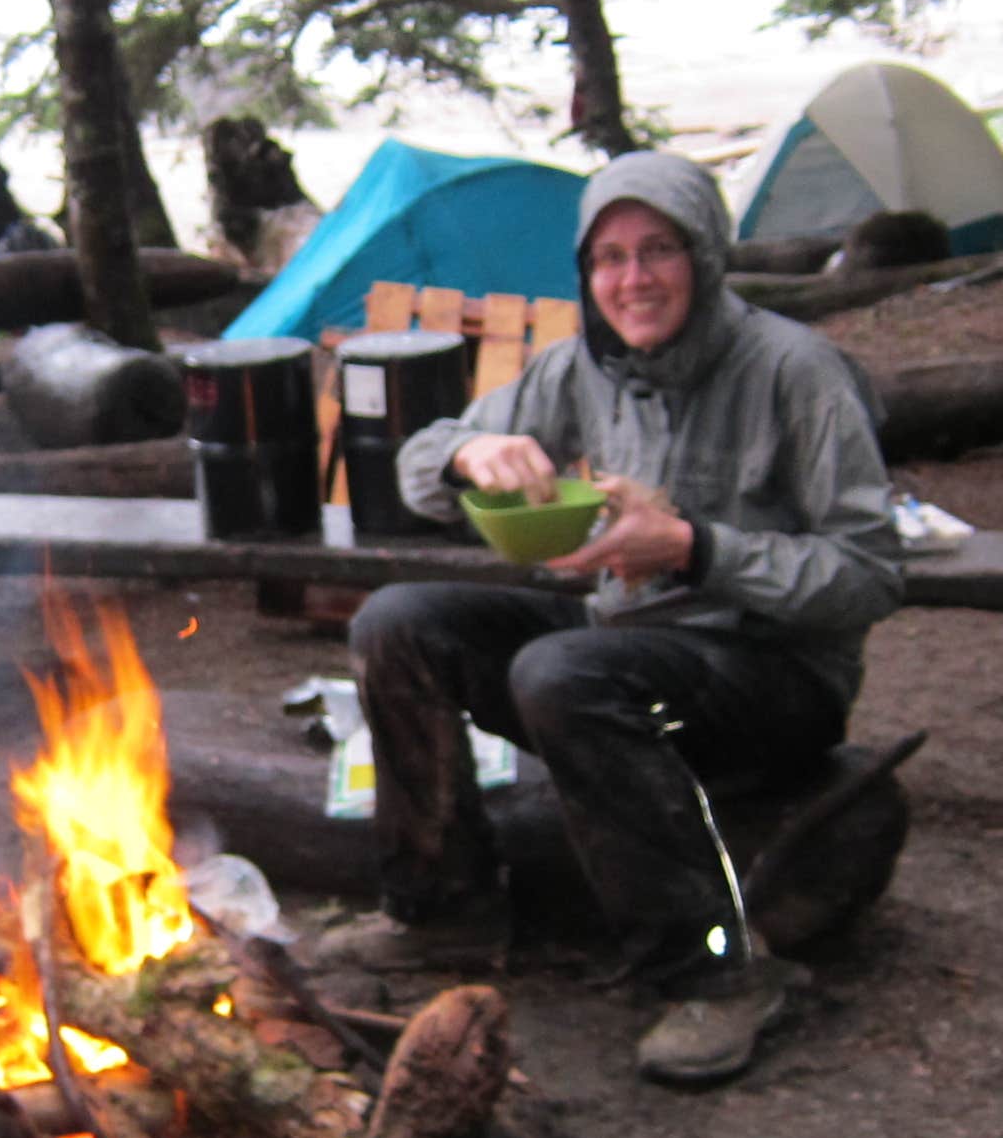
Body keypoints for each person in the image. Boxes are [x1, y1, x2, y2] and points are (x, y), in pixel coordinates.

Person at [317, 150, 905, 1083]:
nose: (632, 280)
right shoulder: (582, 368)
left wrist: (691, 548)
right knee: (399, 621)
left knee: (561, 670)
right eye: (609, 258)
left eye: (659, 250)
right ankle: (445, 908)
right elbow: (417, 464)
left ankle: (719, 975)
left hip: (774, 681)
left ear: (707, 256)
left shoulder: (798, 372)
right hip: (631, 663)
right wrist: (474, 454)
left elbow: (870, 573)